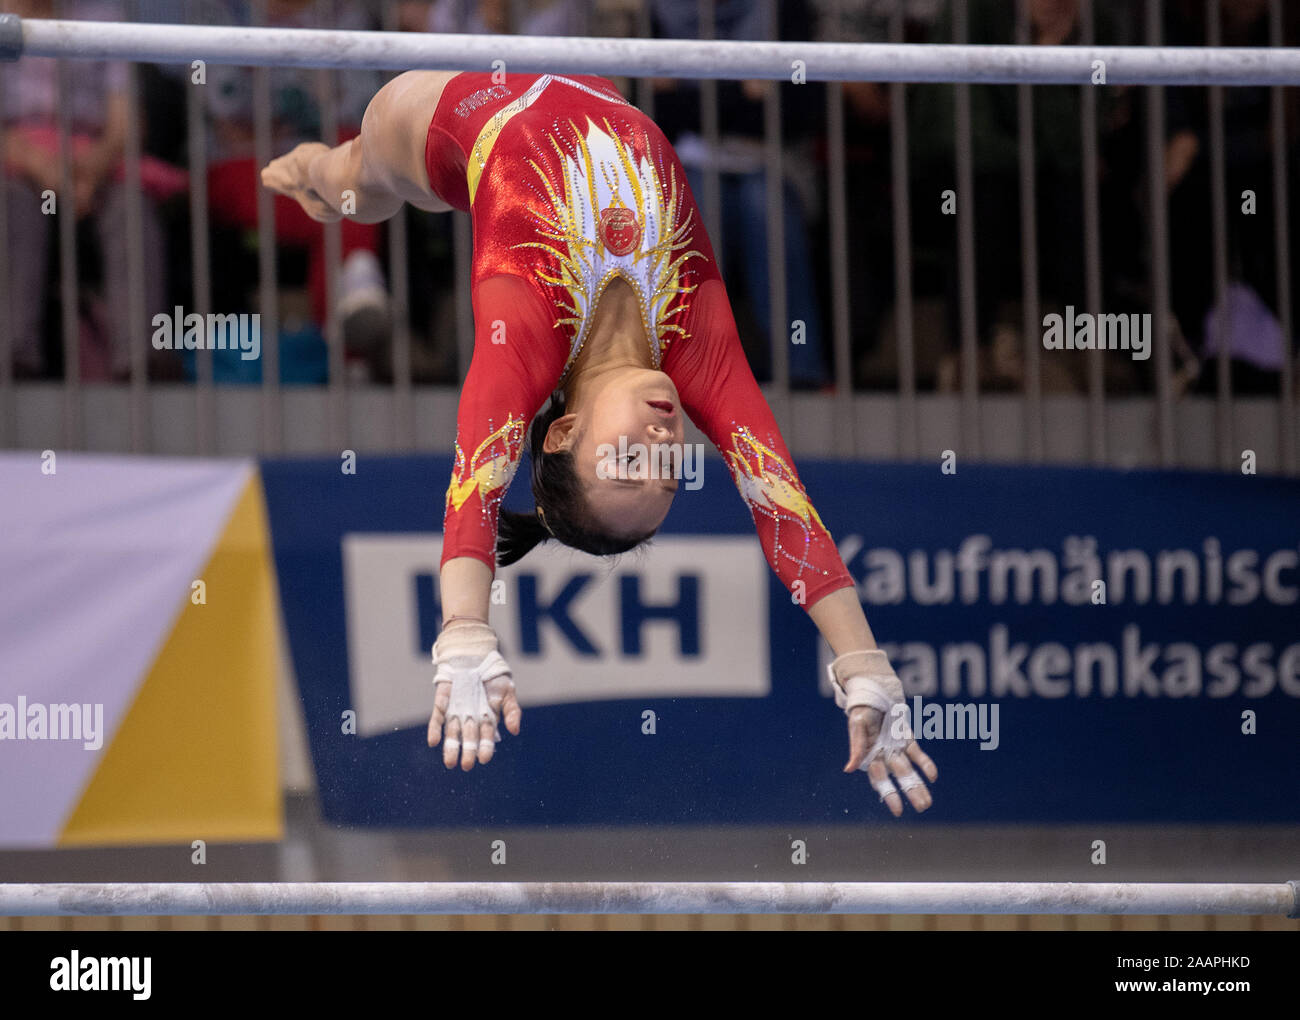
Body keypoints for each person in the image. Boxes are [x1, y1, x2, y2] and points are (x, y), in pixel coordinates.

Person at [261, 70, 936, 816]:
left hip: (445, 121)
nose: (662, 442)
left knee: (359, 181)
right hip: (588, 70)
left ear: (565, 430)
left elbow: (476, 485)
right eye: (670, 472)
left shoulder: (522, 330)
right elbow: (787, 511)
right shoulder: (699, 354)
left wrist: (463, 632)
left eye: (628, 461)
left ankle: (312, 173)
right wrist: (865, 665)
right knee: (368, 192)